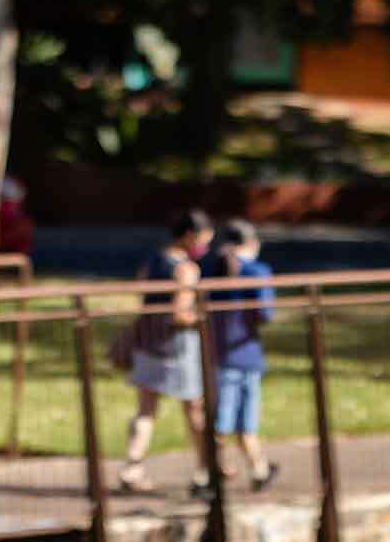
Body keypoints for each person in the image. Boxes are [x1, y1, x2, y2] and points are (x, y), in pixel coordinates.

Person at [119, 210, 215, 494]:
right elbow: (179, 314)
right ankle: (206, 470)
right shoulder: (186, 269)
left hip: (148, 342)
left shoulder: (153, 260)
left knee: (146, 410)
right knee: (194, 409)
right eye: (203, 241)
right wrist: (201, 318)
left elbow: (143, 295)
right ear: (190, 236)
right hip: (176, 347)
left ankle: (131, 468)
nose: (205, 248)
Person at [205, 220, 279, 491]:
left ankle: (253, 468)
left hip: (219, 351)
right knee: (245, 420)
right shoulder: (256, 271)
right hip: (246, 350)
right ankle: (216, 474)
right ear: (251, 242)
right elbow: (265, 313)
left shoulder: (212, 268)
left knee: (223, 419)